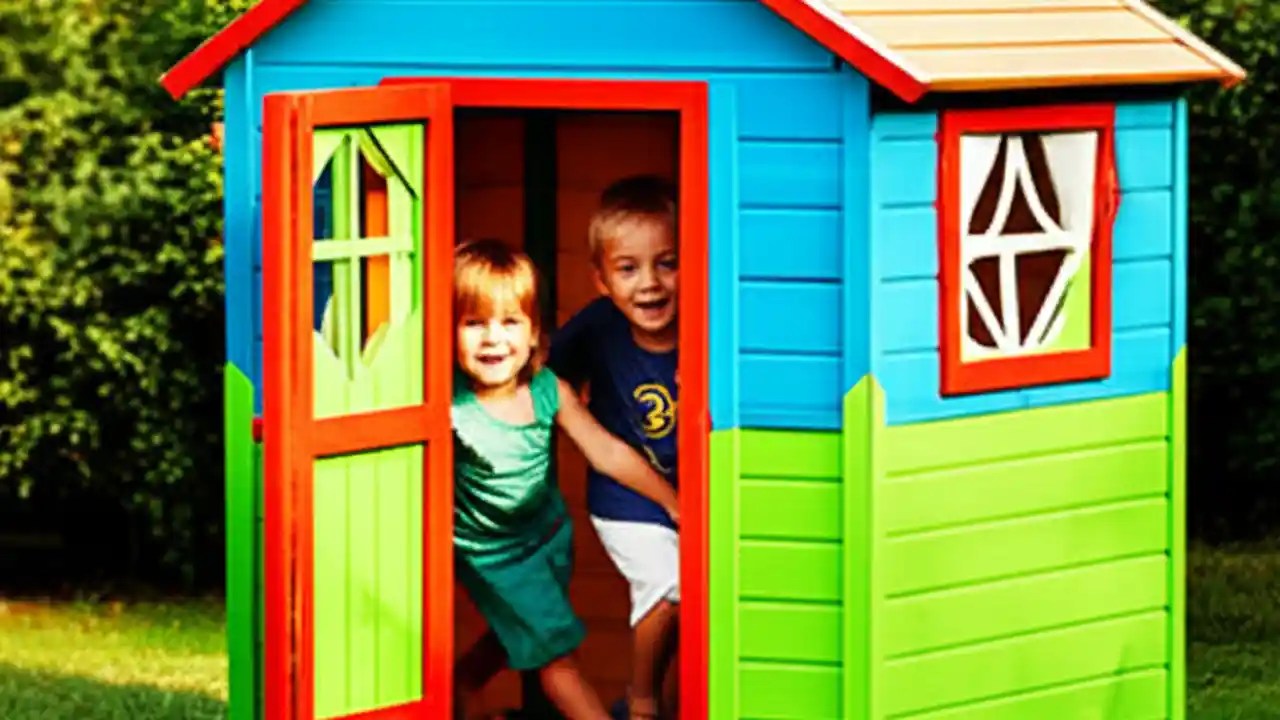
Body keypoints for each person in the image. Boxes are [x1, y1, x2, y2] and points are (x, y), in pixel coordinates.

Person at [450, 238, 680, 720]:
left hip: (548, 536)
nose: (494, 338)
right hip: (491, 555)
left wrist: (673, 503)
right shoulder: (449, 406)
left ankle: (464, 685)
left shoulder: (547, 389)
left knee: (522, 630)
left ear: (534, 333)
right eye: (474, 323)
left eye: (510, 322)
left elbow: (608, 453)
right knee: (554, 656)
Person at [548, 176, 681, 720]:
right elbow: (542, 379)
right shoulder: (598, 328)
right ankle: (643, 702)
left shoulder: (710, 324)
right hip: (626, 498)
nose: (649, 284)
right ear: (601, 280)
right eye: (628, 269)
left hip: (701, 487)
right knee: (669, 585)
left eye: (668, 262)